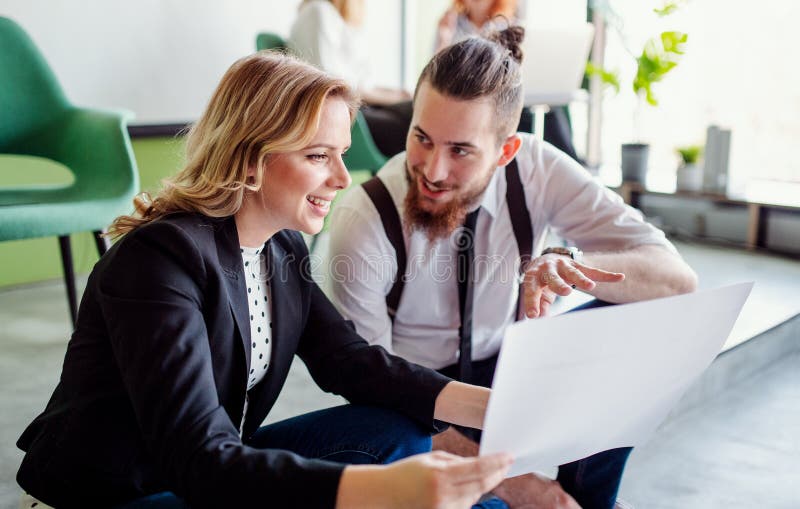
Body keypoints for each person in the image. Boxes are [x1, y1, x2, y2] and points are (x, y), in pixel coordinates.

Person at [15, 51, 515, 509]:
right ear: (252, 158)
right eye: (319, 156)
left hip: (208, 467)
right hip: (118, 492)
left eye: (341, 154)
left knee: (392, 428)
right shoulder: (158, 261)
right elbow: (197, 455)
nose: (343, 178)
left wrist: (497, 407)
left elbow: (350, 361)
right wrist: (378, 491)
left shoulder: (279, 247)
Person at [327, 27, 698, 509]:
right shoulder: (365, 217)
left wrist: (572, 264)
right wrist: (518, 485)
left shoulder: (538, 170)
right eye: (422, 138)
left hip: (511, 367)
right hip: (413, 399)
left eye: (460, 150)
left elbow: (677, 281)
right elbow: (373, 387)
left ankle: (587, 500)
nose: (432, 170)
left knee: (635, 320)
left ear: (505, 152)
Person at [435, 0, 581, 162]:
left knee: (552, 111)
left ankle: (570, 164)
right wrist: (444, 38)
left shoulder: (509, 23)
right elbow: (437, 73)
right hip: (470, 99)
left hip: (503, 95)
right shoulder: (451, 23)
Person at [288, 0, 413, 157]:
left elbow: (361, 81)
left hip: (357, 105)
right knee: (412, 126)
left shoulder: (335, 18)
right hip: (341, 113)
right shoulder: (318, 11)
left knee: (416, 108)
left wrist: (396, 93)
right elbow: (331, 86)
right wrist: (389, 97)